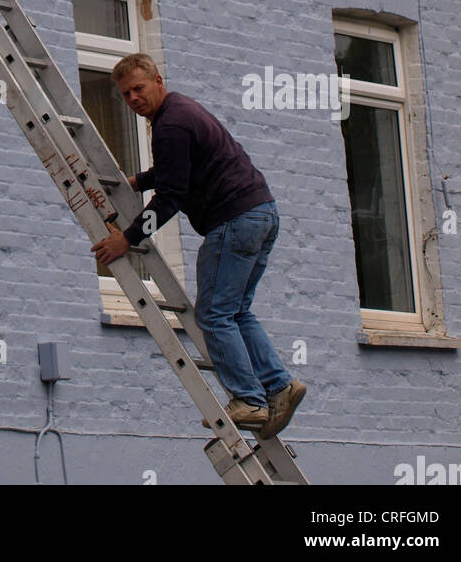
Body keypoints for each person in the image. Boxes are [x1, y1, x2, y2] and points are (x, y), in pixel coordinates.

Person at [91, 53, 306, 439]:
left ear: (158, 80)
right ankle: (279, 385)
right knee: (237, 311)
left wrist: (127, 238)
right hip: (261, 213)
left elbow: (171, 196)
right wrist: (136, 182)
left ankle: (249, 400)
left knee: (213, 315)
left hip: (234, 220)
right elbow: (178, 171)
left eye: (139, 89)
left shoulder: (169, 125)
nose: (133, 99)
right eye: (125, 95)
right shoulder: (183, 111)